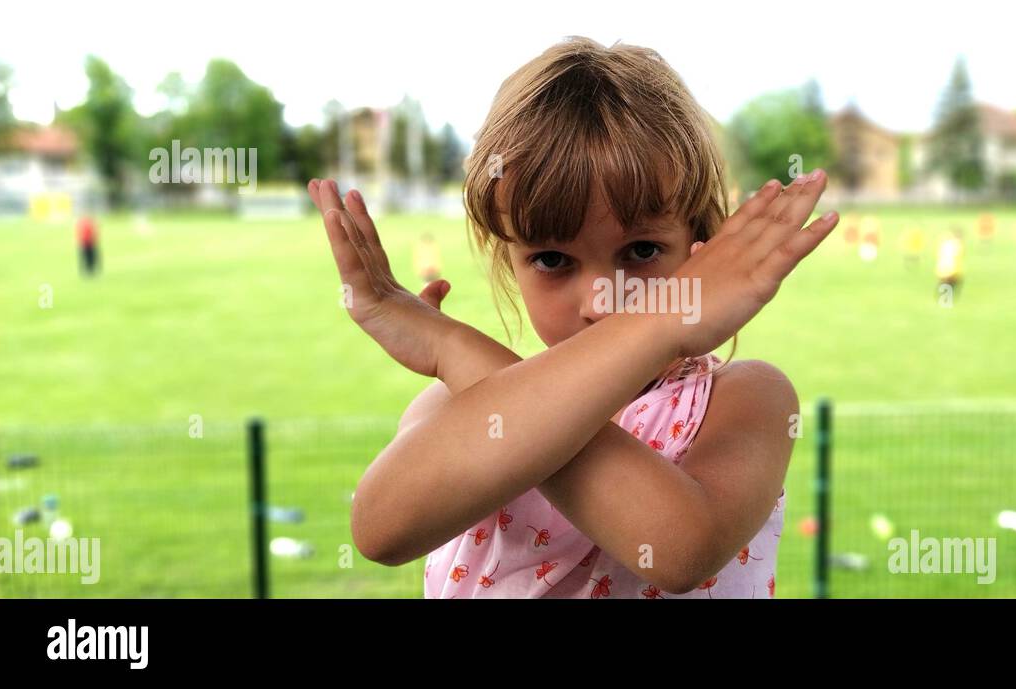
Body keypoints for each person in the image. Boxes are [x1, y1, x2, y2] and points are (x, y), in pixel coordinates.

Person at [306, 37, 839, 599]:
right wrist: (463, 363)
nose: (602, 302)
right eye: (553, 260)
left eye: (640, 251)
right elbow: (380, 530)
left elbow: (680, 549)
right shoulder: (461, 407)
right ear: (509, 262)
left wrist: (454, 348)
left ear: (702, 249)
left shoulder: (746, 398)